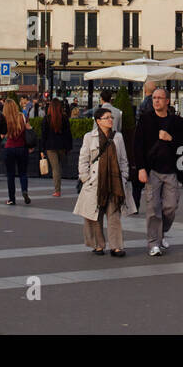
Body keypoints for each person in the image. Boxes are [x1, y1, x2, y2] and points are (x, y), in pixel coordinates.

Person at [132, 87, 183, 257]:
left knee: (170, 207)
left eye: (160, 98)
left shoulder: (177, 121)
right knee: (153, 208)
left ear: (167, 101)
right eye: (154, 98)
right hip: (152, 170)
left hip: (171, 170)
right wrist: (140, 168)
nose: (156, 101)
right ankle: (153, 243)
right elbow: (137, 145)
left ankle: (161, 233)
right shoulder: (145, 120)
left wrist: (170, 139)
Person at [74, 107, 134, 256]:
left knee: (114, 215)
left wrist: (124, 176)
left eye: (112, 118)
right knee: (95, 215)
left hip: (114, 182)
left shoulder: (118, 137)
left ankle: (116, 246)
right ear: (98, 121)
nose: (111, 120)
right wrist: (85, 178)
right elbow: (83, 159)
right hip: (95, 182)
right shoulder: (89, 137)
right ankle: (98, 245)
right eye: (107, 118)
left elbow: (123, 159)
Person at [0, 97, 32, 206]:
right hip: (22, 147)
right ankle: (24, 191)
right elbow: (29, 129)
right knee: (23, 173)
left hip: (9, 148)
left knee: (10, 175)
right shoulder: (22, 116)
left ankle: (12, 199)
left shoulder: (3, 118)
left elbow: (1, 135)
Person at [41, 99, 73, 197]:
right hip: (62, 146)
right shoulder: (64, 118)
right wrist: (69, 147)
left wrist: (42, 150)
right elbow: (68, 134)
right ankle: (58, 187)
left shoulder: (46, 119)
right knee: (58, 166)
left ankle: (57, 190)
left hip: (50, 146)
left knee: (55, 168)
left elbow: (43, 135)